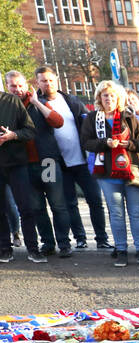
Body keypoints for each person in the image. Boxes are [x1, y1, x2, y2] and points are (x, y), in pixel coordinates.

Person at [34, 67, 107, 251]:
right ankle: (80, 238)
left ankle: (101, 238)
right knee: (68, 204)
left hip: (81, 160)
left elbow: (87, 123)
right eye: (43, 81)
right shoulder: (35, 104)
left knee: (95, 200)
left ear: (56, 80)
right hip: (55, 163)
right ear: (37, 83)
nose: (48, 84)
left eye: (50, 80)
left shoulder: (71, 100)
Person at [79, 80, 139, 267]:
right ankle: (121, 250)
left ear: (118, 98)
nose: (109, 99)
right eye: (105, 96)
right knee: (116, 213)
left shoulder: (129, 117)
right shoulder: (93, 118)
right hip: (107, 173)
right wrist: (105, 143)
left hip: (132, 170)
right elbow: (86, 142)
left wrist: (130, 144)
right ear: (99, 98)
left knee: (136, 213)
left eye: (112, 95)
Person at [8, 70, 72, 259]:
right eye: (13, 86)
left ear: (27, 86)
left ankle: (64, 243)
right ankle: (48, 243)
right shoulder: (7, 108)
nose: (17, 89)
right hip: (24, 165)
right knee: (37, 208)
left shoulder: (40, 103)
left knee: (57, 204)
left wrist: (36, 102)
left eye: (20, 85)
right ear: (7, 87)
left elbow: (58, 122)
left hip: (47, 162)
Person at [0, 82, 38, 263]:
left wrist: (13, 135)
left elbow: (30, 130)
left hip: (17, 163)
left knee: (26, 207)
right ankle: (4, 248)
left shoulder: (13, 101)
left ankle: (33, 248)